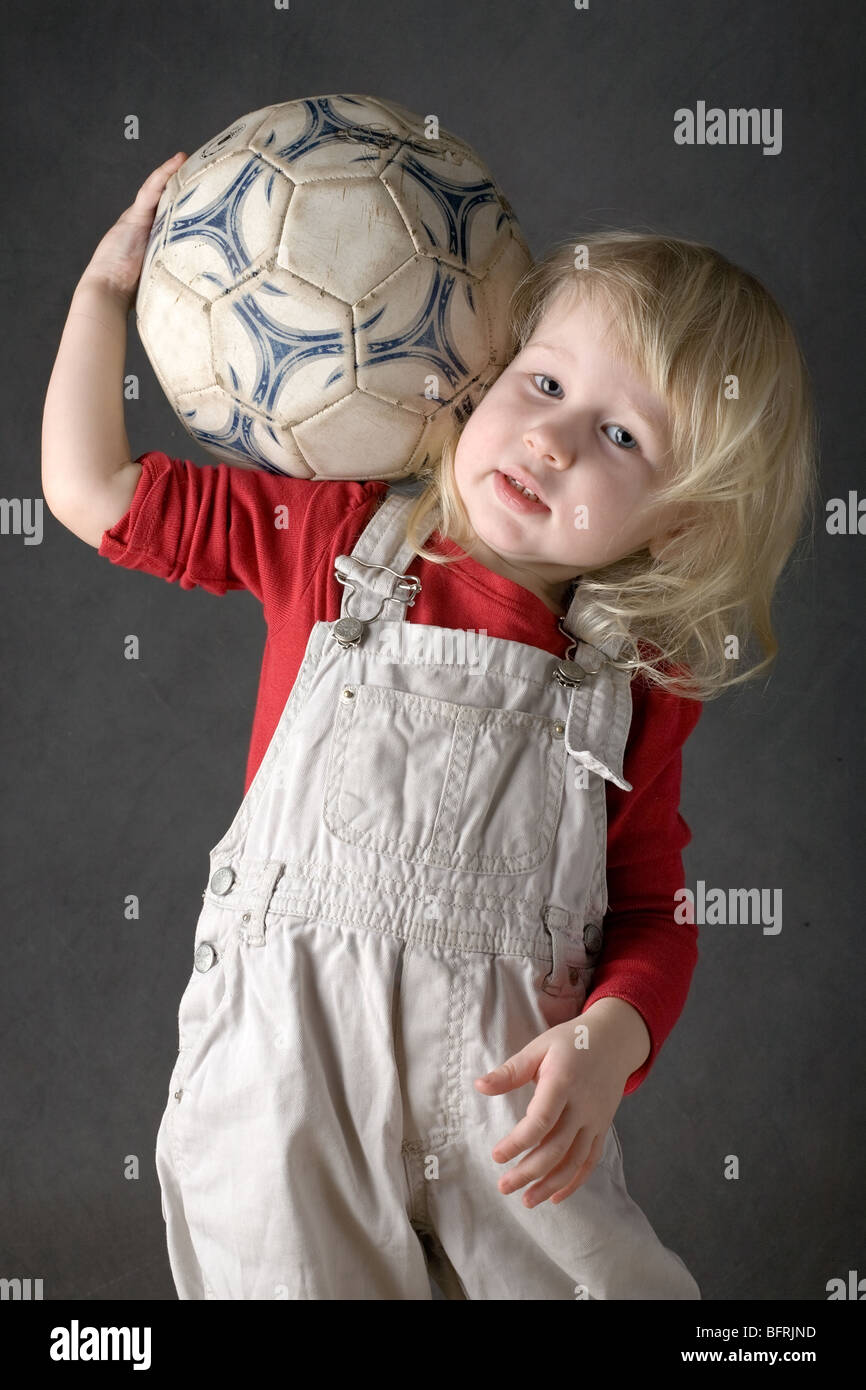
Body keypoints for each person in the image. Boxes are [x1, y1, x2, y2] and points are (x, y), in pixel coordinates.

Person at [42, 155, 818, 1300]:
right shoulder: (331, 534)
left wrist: (606, 1045)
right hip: (286, 1085)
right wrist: (102, 297)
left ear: (684, 525)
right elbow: (91, 488)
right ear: (494, 368)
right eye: (545, 385)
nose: (552, 442)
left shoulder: (635, 683)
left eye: (621, 440)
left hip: (508, 1115)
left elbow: (654, 918)